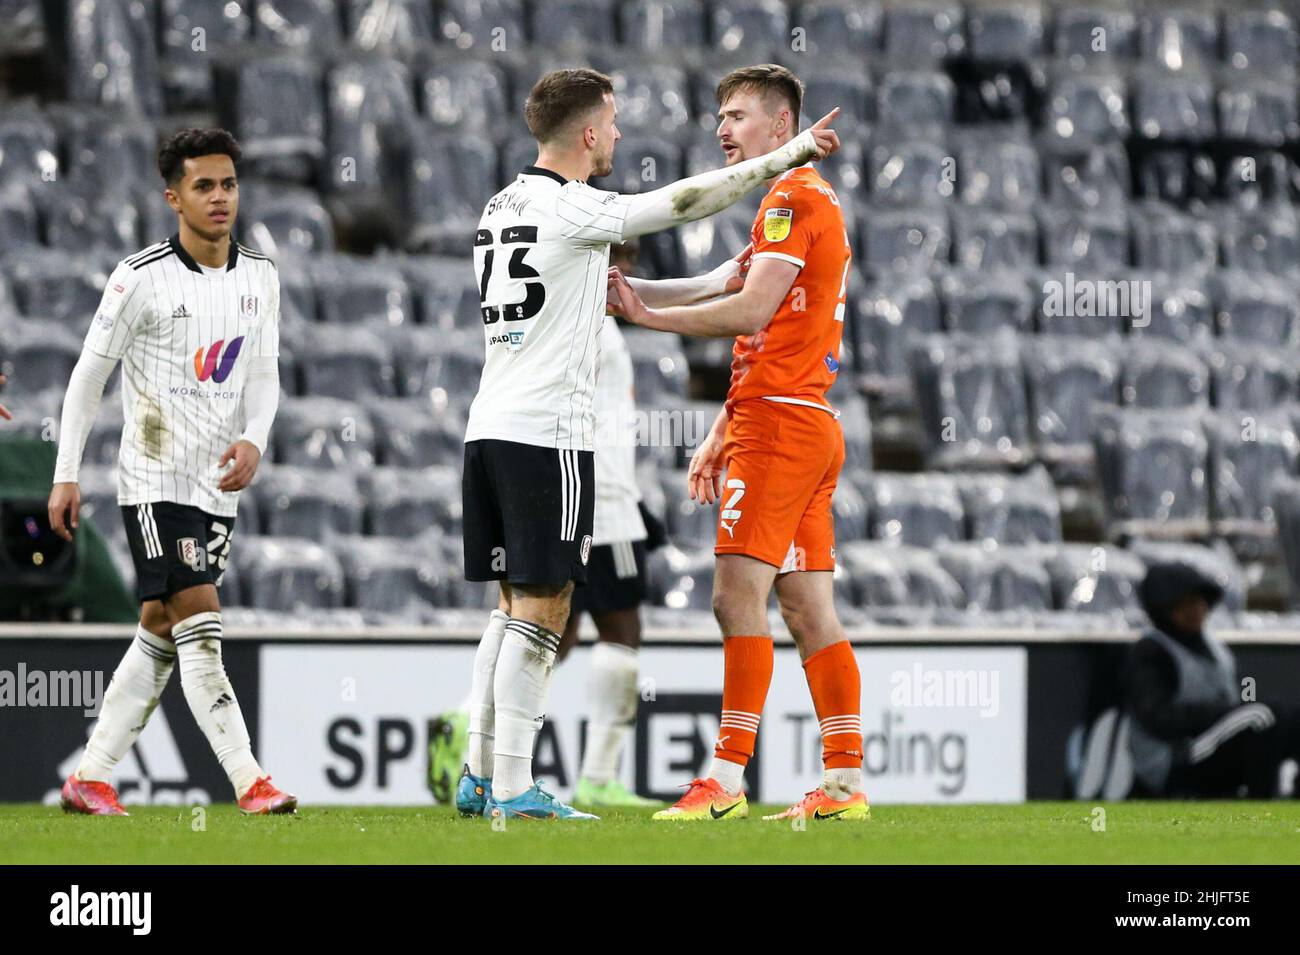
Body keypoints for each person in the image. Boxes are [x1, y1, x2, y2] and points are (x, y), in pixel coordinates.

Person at [458, 67, 839, 821]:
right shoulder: (576, 206)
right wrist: (782, 156)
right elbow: (685, 201)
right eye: (615, 120)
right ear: (590, 133)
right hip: (546, 437)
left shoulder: (498, 205)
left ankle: (477, 772)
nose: (621, 133)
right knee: (545, 607)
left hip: (486, 427)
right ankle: (510, 785)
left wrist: (655, 297)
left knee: (508, 608)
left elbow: (646, 288)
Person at [607, 64, 868, 822]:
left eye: (740, 115)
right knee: (807, 605)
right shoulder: (795, 203)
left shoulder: (790, 198)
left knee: (733, 597)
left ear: (780, 129)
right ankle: (844, 784)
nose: (723, 129)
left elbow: (750, 311)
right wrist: (635, 297)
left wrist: (647, 321)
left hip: (781, 428)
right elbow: (724, 282)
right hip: (804, 421)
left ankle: (725, 775)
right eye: (720, 115)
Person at [48, 128, 294, 816]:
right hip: (155, 481)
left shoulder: (261, 277)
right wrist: (68, 471)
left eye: (229, 184)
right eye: (204, 186)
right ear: (173, 197)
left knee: (161, 622)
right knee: (201, 619)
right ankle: (250, 780)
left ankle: (90, 775)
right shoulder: (139, 277)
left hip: (217, 489)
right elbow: (87, 377)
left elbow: (266, 374)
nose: (220, 199)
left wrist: (254, 436)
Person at [1127, 561, 1300, 798]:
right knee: (1262, 716)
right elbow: (1158, 717)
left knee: (1289, 717)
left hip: (1213, 745)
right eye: (1186, 603)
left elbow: (1232, 706)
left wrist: (1230, 714)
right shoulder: (1151, 650)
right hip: (1176, 758)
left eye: (1200, 601)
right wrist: (1219, 714)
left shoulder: (1216, 649)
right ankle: (1262, 805)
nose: (1197, 609)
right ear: (1163, 608)